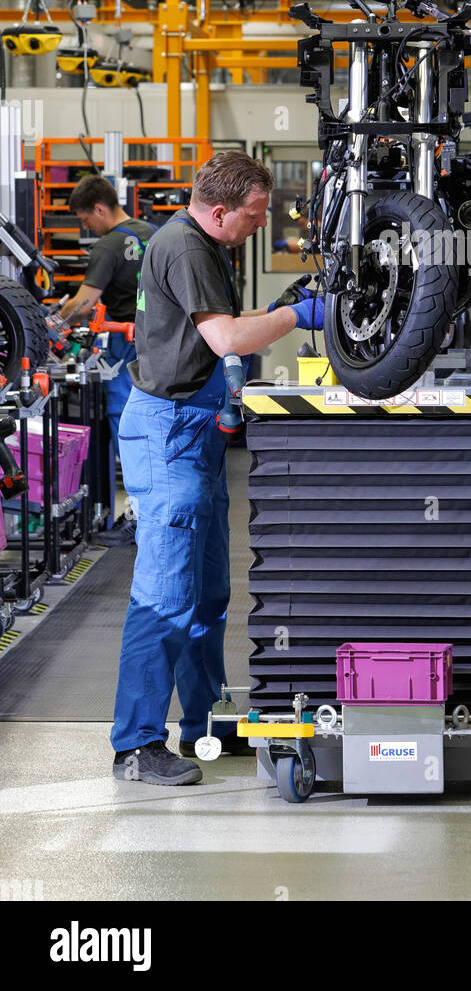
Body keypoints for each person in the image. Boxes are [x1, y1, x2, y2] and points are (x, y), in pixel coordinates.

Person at [110, 151, 323, 787]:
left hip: (195, 433)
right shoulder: (185, 245)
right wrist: (297, 316)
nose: (263, 223)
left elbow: (213, 336)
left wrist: (279, 308)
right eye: (256, 214)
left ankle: (201, 723)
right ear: (222, 210)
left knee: (208, 595)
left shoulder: (203, 243)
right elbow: (227, 339)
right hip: (167, 435)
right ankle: (137, 743)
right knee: (166, 594)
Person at [51, 176, 154, 455]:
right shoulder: (150, 231)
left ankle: (135, 477)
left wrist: (53, 325)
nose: (86, 228)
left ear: (99, 209)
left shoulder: (108, 245)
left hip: (126, 340)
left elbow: (83, 304)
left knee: (122, 408)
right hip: (161, 338)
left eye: (85, 220)